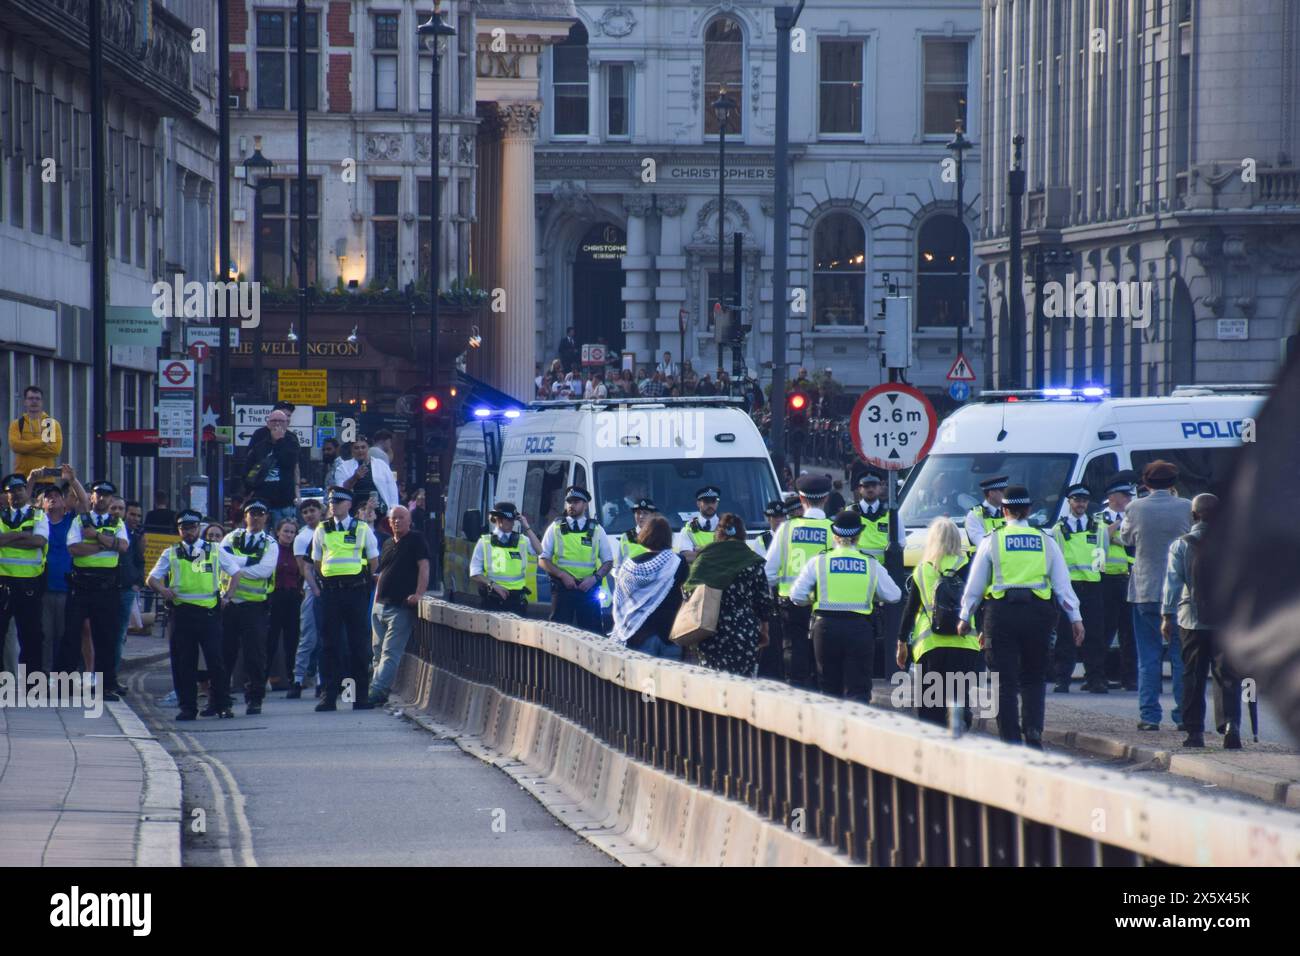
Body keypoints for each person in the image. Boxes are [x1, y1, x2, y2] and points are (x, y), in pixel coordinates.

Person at [957, 485, 1083, 748]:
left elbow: (976, 584)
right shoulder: (1045, 539)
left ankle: (1010, 739)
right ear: (1029, 510)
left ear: (1004, 511)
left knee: (1004, 681)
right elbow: (1062, 585)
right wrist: (1076, 618)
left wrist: (965, 615)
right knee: (1034, 677)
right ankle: (1034, 731)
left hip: (1001, 614)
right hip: (1039, 614)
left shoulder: (992, 540)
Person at [791, 510, 901, 700]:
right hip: (859, 629)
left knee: (828, 690)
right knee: (858, 690)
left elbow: (796, 595)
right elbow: (894, 595)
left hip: (825, 629)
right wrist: (872, 596)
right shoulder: (870, 563)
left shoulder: (819, 561)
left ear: (835, 535)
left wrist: (814, 597)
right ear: (859, 535)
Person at [1162, 494, 1242, 750]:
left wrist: (1166, 615)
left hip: (1191, 619)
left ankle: (1194, 732)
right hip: (1226, 621)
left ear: (1193, 515)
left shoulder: (1181, 544)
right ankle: (1231, 726)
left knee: (1193, 676)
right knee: (1227, 676)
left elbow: (1173, 584)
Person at [1120, 460, 1192, 732]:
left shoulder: (1135, 507)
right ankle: (1183, 714)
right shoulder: (1186, 506)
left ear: (1146, 483)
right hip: (1181, 592)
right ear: (1173, 483)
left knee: (1148, 656)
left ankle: (1149, 716)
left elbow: (1127, 539)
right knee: (1180, 657)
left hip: (1146, 590)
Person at [147, 510, 232, 721]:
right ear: (179, 530)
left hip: (208, 612)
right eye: (184, 528)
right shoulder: (171, 552)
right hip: (181, 612)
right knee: (184, 662)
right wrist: (163, 590)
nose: (189, 532)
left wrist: (227, 596)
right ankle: (187, 707)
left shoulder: (214, 549)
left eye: (192, 527)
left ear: (199, 528)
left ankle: (222, 704)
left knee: (216, 660)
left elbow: (235, 572)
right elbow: (152, 579)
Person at [897, 517, 978, 727]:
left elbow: (910, 610)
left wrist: (901, 643)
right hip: (965, 644)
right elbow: (981, 603)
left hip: (931, 647)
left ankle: (935, 747)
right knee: (959, 698)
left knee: (930, 707)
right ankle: (960, 728)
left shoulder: (922, 570)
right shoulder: (969, 567)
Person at [311, 487, 380, 711]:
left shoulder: (361, 529)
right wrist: (326, 582)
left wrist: (364, 583)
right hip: (331, 591)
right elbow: (317, 562)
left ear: (349, 505)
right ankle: (329, 695)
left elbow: (373, 561)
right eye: (331, 502)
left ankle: (357, 696)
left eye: (339, 501)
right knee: (329, 644)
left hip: (355, 591)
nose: (334, 505)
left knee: (357, 645)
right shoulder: (323, 529)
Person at [60, 480, 129, 700]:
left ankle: (105, 687)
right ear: (92, 497)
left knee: (105, 638)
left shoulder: (117, 522)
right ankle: (65, 685)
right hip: (81, 585)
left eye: (107, 496)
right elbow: (74, 549)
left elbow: (124, 547)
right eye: (98, 495)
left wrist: (96, 537)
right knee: (70, 635)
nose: (102, 499)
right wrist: (104, 545)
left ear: (111, 499)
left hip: (106, 587)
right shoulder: (80, 520)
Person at [765, 474, 834, 687]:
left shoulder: (786, 529)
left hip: (791, 604)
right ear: (826, 498)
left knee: (795, 654)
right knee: (823, 659)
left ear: (801, 499)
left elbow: (768, 571)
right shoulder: (834, 530)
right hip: (824, 605)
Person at [688, 514, 775, 676]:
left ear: (718, 534)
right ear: (742, 534)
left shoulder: (705, 559)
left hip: (709, 632)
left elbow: (688, 592)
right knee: (742, 685)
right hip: (744, 634)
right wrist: (765, 629)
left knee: (710, 684)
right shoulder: (752, 561)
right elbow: (763, 601)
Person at [217, 500, 279, 716]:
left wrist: (235, 568)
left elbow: (265, 570)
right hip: (230, 604)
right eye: (252, 513)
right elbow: (220, 559)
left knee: (255, 656)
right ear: (245, 517)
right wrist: (247, 561)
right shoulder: (231, 537)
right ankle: (221, 700)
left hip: (255, 607)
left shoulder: (270, 543)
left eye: (261, 514)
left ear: (266, 518)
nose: (256, 517)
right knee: (225, 655)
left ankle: (255, 699)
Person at [369, 505, 430, 705]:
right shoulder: (387, 543)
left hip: (400, 607)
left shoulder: (416, 539)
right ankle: (378, 691)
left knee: (390, 652)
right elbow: (381, 571)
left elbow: (424, 566)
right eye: (393, 518)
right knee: (377, 652)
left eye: (401, 517)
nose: (397, 521)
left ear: (409, 520)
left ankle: (376, 691)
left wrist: (419, 593)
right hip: (379, 606)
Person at [1051, 484, 1110, 694]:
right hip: (1069, 587)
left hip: (1092, 587)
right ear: (1069, 502)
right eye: (1077, 500)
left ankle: (1095, 679)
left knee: (1095, 635)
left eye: (1084, 500)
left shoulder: (1099, 527)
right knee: (1065, 635)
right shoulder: (1059, 529)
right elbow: (1056, 559)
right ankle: (1062, 679)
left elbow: (1103, 556)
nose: (1081, 504)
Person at [610, 515, 690, 660]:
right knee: (672, 679)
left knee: (644, 681)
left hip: (639, 633)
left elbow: (623, 601)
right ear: (668, 537)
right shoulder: (678, 562)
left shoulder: (629, 567)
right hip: (672, 633)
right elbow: (686, 596)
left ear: (645, 535)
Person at [538, 486, 614, 634]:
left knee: (593, 635)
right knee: (557, 634)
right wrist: (562, 575)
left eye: (576, 502)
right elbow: (543, 559)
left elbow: (608, 561)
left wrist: (594, 579)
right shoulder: (556, 527)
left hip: (588, 589)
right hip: (563, 589)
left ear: (585, 505)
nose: (571, 505)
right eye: (569, 502)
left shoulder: (596, 529)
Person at [36, 468, 87, 673]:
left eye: (57, 495)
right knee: (46, 635)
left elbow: (85, 504)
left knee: (65, 635)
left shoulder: (71, 521)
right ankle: (46, 674)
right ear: (41, 504)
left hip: (67, 588)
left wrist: (73, 480)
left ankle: (62, 676)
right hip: (44, 588)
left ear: (64, 502)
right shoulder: (38, 522)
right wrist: (31, 480)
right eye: (48, 497)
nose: (53, 498)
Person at [0, 473, 49, 675]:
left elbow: (38, 541)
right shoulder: (1, 516)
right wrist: (22, 535)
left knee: (31, 634)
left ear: (25, 491)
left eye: (20, 490)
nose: (17, 495)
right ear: (6, 495)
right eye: (12, 492)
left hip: (30, 583)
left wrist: (8, 538)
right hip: (4, 583)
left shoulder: (38, 515)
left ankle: (32, 681)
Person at [1099, 474, 1138, 690]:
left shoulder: (1134, 517)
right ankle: (1099, 675)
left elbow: (1129, 540)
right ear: (1113, 497)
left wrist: (1116, 533)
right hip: (1107, 580)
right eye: (1125, 496)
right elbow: (1102, 537)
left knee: (1128, 631)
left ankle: (1129, 678)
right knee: (1104, 630)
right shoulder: (1099, 517)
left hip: (1130, 578)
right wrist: (1117, 526)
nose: (1128, 500)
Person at [469, 502, 542, 614]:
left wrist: (527, 527)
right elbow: (474, 572)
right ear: (498, 519)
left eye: (513, 520)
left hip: (516, 599)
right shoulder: (484, 541)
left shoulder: (522, 540)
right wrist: (493, 585)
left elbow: (540, 551)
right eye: (508, 520)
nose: (512, 523)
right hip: (493, 598)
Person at [288, 491, 325, 699]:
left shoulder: (329, 531)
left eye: (313, 510)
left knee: (326, 637)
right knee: (308, 637)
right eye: (305, 512)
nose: (309, 514)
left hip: (330, 589)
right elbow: (304, 568)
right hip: (312, 590)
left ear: (321, 512)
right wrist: (316, 589)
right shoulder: (302, 537)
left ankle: (322, 681)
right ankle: (298, 679)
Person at [243, 408, 299, 528]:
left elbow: (289, 462)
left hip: (284, 501)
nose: (277, 424)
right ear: (268, 423)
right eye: (274, 421)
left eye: (281, 421)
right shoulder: (260, 440)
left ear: (287, 423)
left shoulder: (292, 440)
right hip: (262, 500)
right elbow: (249, 467)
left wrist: (280, 441)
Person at [751, 500, 788, 677]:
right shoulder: (761, 540)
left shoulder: (791, 535)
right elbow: (763, 568)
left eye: (781, 516)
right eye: (775, 517)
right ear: (768, 518)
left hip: (788, 591)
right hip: (770, 592)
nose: (779, 520)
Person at [266, 518, 302, 690]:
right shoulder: (272, 550)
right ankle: (263, 678)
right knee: (270, 639)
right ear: (278, 532)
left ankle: (290, 677)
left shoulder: (298, 551)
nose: (288, 535)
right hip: (274, 597)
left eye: (292, 532)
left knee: (292, 640)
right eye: (286, 531)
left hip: (293, 597)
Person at [336, 434, 400, 514]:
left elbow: (392, 489)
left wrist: (393, 510)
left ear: (368, 448)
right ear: (351, 450)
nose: (360, 450)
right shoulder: (343, 468)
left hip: (379, 510)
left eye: (363, 447)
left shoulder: (381, 465)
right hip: (355, 510)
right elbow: (340, 491)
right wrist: (354, 477)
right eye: (356, 448)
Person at [8, 385, 62, 476]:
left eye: (37, 399)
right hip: (23, 477)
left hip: (46, 478)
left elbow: (55, 450)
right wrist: (42, 443)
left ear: (42, 402)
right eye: (30, 398)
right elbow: (16, 446)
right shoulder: (17, 424)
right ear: (25, 401)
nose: (34, 401)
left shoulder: (50, 424)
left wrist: (25, 449)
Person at [673, 486, 722, 562]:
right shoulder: (688, 529)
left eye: (713, 501)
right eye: (706, 501)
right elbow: (686, 556)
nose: (710, 505)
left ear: (717, 503)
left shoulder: (726, 527)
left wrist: (699, 552)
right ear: (698, 503)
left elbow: (732, 554)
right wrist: (718, 555)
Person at [964, 475, 1008, 552]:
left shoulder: (1009, 511)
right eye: (1003, 491)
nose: (1006, 494)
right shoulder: (974, 515)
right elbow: (982, 543)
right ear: (991, 494)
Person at [853, 474, 890, 562]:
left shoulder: (890, 512)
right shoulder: (850, 512)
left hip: (884, 567)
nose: (870, 489)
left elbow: (901, 541)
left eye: (874, 486)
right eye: (866, 486)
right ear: (859, 489)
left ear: (880, 488)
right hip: (858, 566)